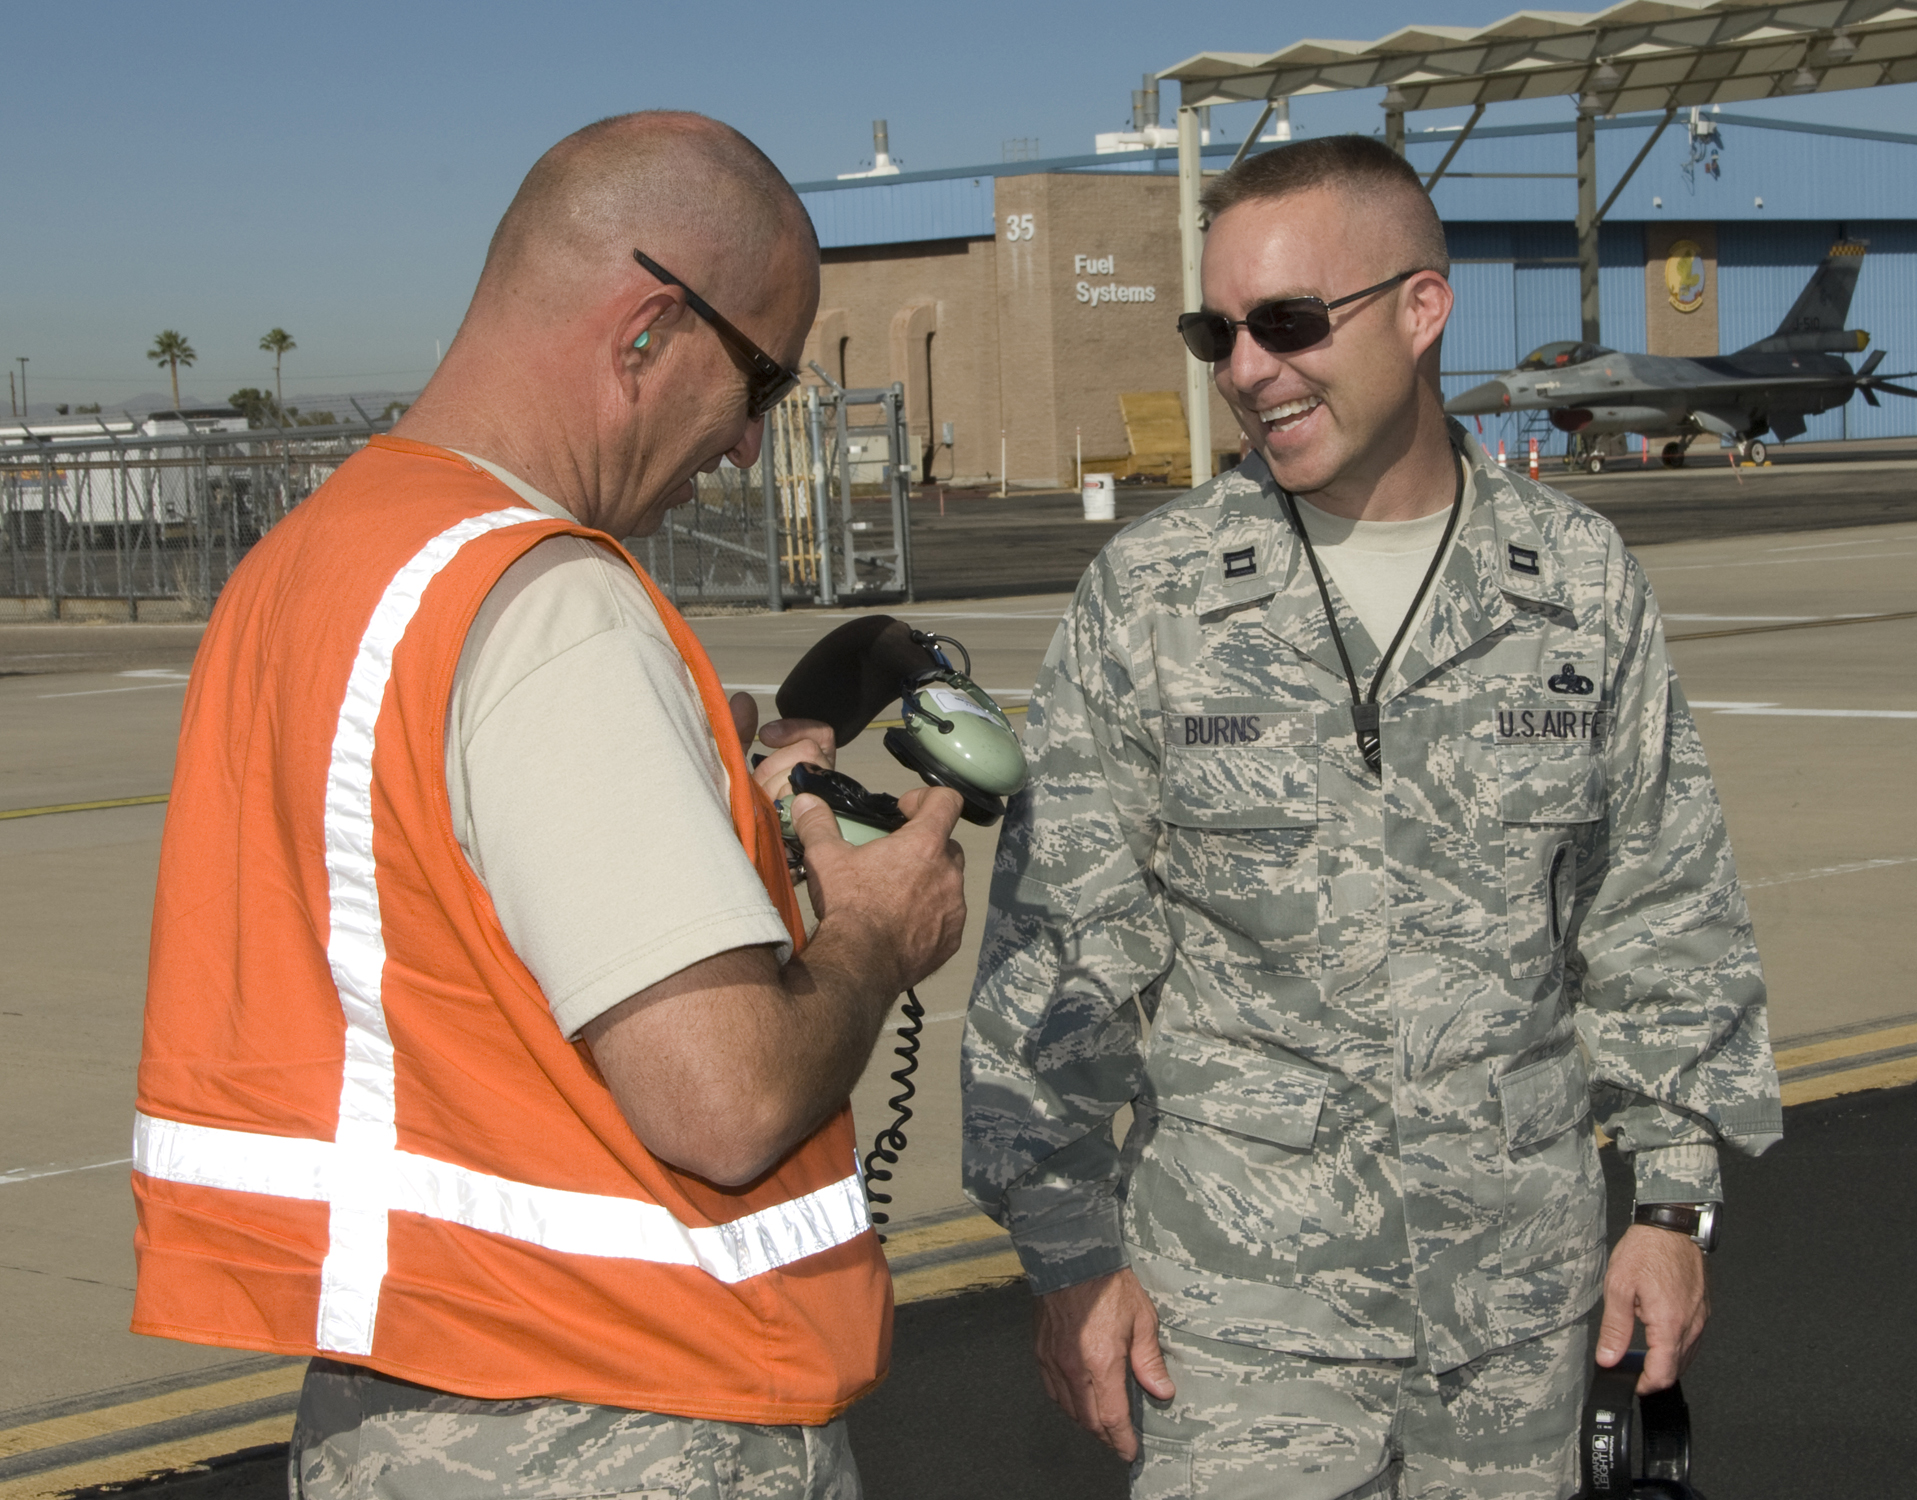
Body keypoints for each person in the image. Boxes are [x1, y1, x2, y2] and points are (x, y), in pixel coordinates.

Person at [130, 112, 966, 1500]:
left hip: (404, 1412)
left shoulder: (314, 562)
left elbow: (443, 928)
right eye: (760, 381)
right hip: (625, 1418)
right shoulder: (554, 603)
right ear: (647, 330)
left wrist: (696, 820)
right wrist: (874, 929)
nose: (750, 449)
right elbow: (724, 1100)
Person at [960, 135, 1780, 1498]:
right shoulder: (1153, 600)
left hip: (1513, 1333)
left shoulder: (1573, 585)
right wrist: (1067, 1253)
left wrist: (1671, 1207)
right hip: (1235, 1342)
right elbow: (1058, 957)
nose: (1244, 369)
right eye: (1214, 332)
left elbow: (1661, 914)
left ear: (1421, 308)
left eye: (1286, 323)